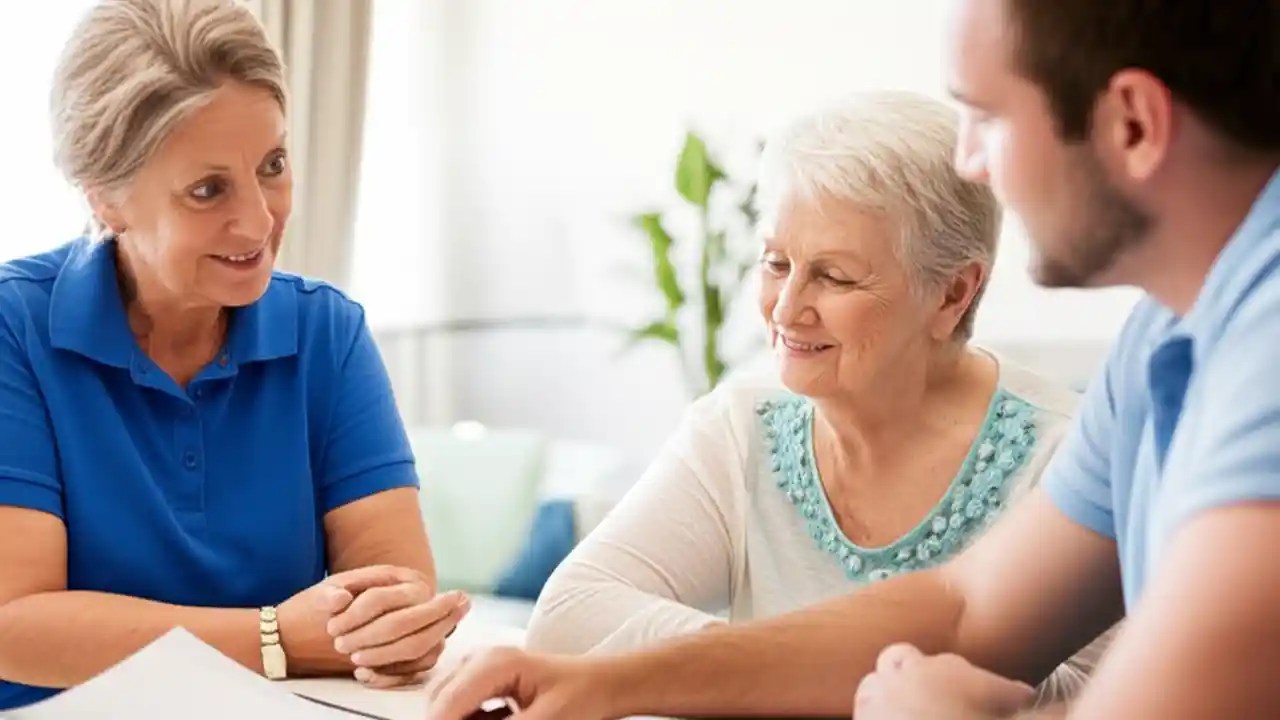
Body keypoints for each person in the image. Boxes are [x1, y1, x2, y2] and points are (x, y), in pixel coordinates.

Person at [423, 0, 1280, 718]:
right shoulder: (1162, 337)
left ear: (1131, 124)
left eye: (987, 117)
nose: (972, 160)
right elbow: (969, 609)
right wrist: (604, 683)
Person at [522, 91, 1108, 705]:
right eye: (777, 263)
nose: (786, 307)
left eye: (834, 276)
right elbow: (569, 618)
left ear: (951, 295)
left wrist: (734, 676)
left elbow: (1104, 702)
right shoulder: (741, 427)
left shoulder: (1068, 456)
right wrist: (774, 667)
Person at [0, 0, 466, 711]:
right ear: (107, 200)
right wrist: (276, 637)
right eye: (207, 189)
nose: (259, 220)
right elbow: (15, 625)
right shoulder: (15, 328)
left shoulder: (327, 334)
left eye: (273, 165)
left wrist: (397, 633)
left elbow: (392, 597)